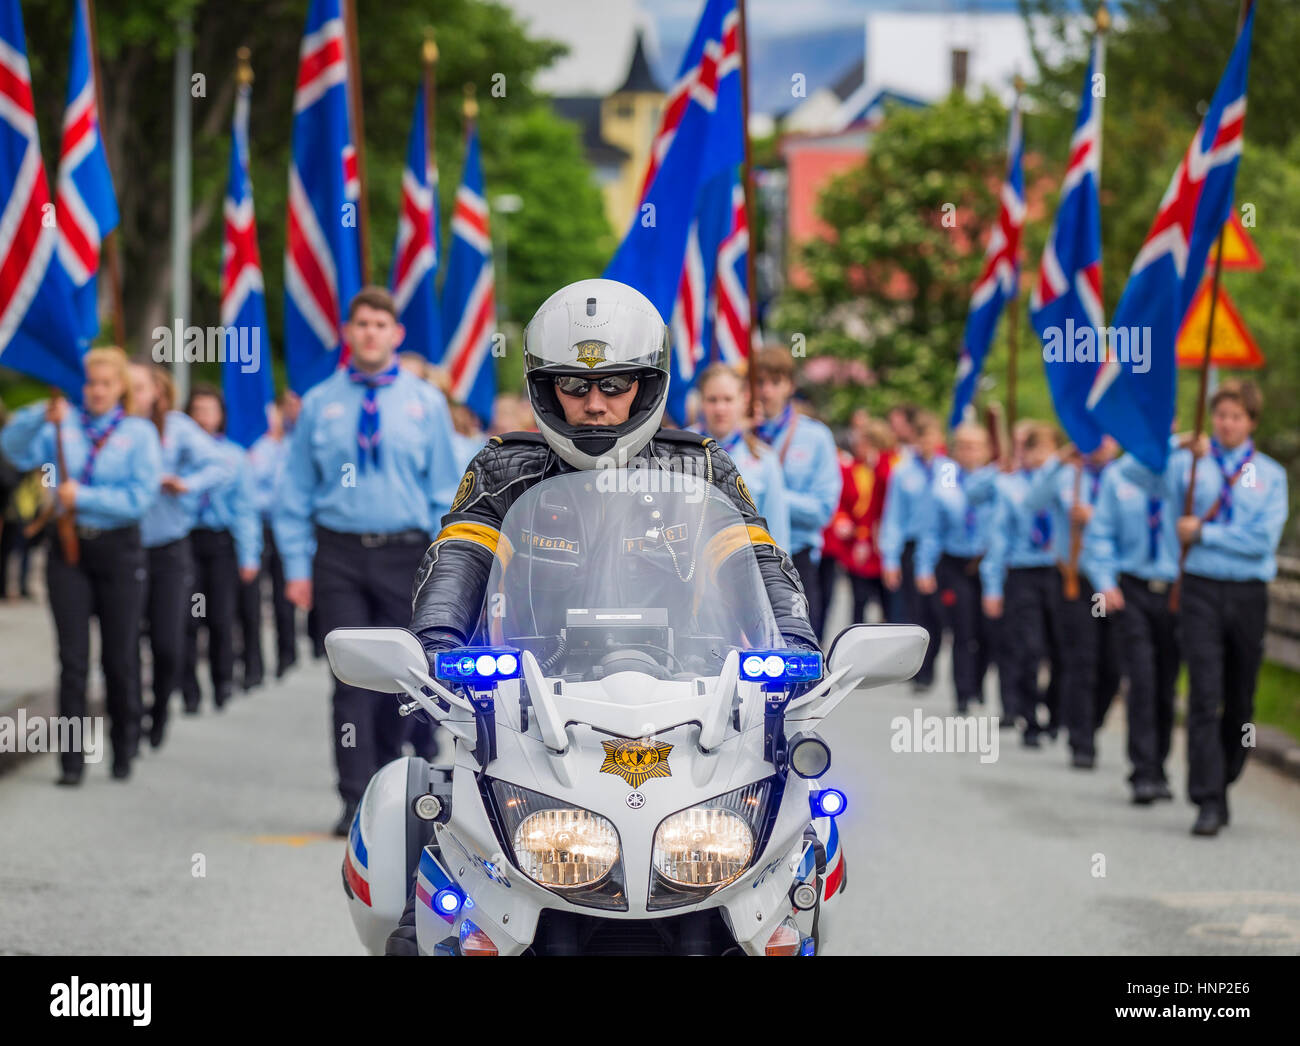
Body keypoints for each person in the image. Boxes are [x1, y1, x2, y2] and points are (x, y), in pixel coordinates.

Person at [274, 286, 460, 836]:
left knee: (407, 678)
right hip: (338, 554)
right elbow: (294, 492)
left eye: (381, 324)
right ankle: (354, 799)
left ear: (396, 335)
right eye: (362, 324)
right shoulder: (319, 403)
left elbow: (445, 488)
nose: (371, 332)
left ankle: (403, 785)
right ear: (349, 334)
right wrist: (296, 567)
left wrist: (445, 564)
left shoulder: (424, 404)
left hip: (407, 554)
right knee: (351, 680)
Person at [1, 348, 162, 783]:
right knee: (72, 659)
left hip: (119, 550)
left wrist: (85, 497)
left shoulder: (138, 433)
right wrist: (39, 415)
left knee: (119, 656)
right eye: (90, 383)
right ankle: (71, 761)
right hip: (68, 550)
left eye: (106, 384)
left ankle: (124, 745)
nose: (96, 391)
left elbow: (139, 498)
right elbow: (12, 450)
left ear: (120, 390)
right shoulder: (60, 425)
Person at [1167, 380, 1288, 836]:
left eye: (1236, 416)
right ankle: (1208, 797)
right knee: (1203, 689)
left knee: (1240, 696)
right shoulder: (1191, 465)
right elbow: (1142, 474)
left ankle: (1228, 768)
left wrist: (1204, 533)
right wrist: (1176, 444)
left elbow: (1261, 539)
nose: (1226, 424)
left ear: (1251, 422)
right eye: (1220, 415)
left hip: (1246, 593)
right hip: (1199, 587)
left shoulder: (1269, 475)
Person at [128, 362, 235, 749]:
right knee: (123, 643)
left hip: (169, 548)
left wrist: (186, 484)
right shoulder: (110, 427)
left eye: (142, 387)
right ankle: (128, 720)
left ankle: (159, 711)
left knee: (168, 643)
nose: (134, 394)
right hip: (123, 549)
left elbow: (222, 465)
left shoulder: (175, 427)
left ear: (159, 392)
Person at [1084, 451, 1180, 804]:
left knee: (1166, 685)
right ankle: (1142, 771)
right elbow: (1100, 535)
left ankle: (1159, 765)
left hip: (1176, 591)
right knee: (1141, 679)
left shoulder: (1185, 468)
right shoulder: (1118, 475)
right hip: (1132, 589)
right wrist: (1105, 581)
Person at [1026, 434, 1121, 767]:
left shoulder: (1125, 476)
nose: (1101, 443)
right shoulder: (1067, 474)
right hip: (1075, 581)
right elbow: (1032, 501)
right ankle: (1082, 740)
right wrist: (1057, 461)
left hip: (1116, 586)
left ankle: (1090, 721)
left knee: (1113, 666)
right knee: (1082, 660)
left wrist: (1096, 516)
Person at [751, 346, 841, 643]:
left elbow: (822, 510)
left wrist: (767, 496)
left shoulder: (815, 437)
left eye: (774, 383)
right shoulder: (740, 436)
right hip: (743, 556)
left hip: (796, 558)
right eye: (758, 382)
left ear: (789, 385)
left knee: (798, 650)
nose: (765, 391)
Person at [181, 385, 261, 708]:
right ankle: (188, 689)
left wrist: (249, 555)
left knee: (220, 616)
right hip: (185, 540)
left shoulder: (234, 456)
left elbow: (245, 509)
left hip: (221, 543)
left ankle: (222, 680)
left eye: (209, 410)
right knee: (187, 617)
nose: (202, 417)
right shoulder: (178, 453)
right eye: (196, 410)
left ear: (221, 416)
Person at [983, 423, 1064, 740]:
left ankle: (1056, 714)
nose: (1041, 457)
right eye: (1034, 449)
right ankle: (1028, 717)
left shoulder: (1065, 482)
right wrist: (993, 585)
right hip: (1022, 573)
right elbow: (998, 537)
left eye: (1047, 449)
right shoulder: (1008, 486)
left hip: (1059, 572)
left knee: (1061, 649)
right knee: (1029, 647)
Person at [915, 423, 998, 715]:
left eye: (975, 446)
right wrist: (924, 567)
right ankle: (962, 694)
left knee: (988, 632)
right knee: (962, 629)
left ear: (987, 449)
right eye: (962, 445)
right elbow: (933, 526)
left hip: (988, 563)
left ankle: (977, 684)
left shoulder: (996, 477)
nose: (968, 452)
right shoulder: (947, 477)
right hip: (954, 562)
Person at [879, 410, 946, 688]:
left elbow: (954, 506)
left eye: (933, 436)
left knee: (938, 613)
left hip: (941, 549)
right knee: (915, 611)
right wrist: (891, 558)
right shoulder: (903, 472)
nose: (928, 442)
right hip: (911, 545)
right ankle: (919, 671)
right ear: (916, 439)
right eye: (923, 437)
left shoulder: (948, 470)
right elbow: (893, 516)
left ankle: (932, 664)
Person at [696, 362, 791, 551]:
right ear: (702, 402)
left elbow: (777, 531)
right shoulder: (679, 449)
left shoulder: (764, 460)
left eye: (728, 399)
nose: (720, 408)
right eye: (712, 400)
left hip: (745, 569)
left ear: (744, 400)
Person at [247, 400, 298, 679]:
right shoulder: (259, 449)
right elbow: (253, 488)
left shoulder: (293, 446)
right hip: (262, 525)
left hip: (288, 527)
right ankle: (255, 665)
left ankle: (287, 655)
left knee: (285, 593)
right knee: (255, 595)